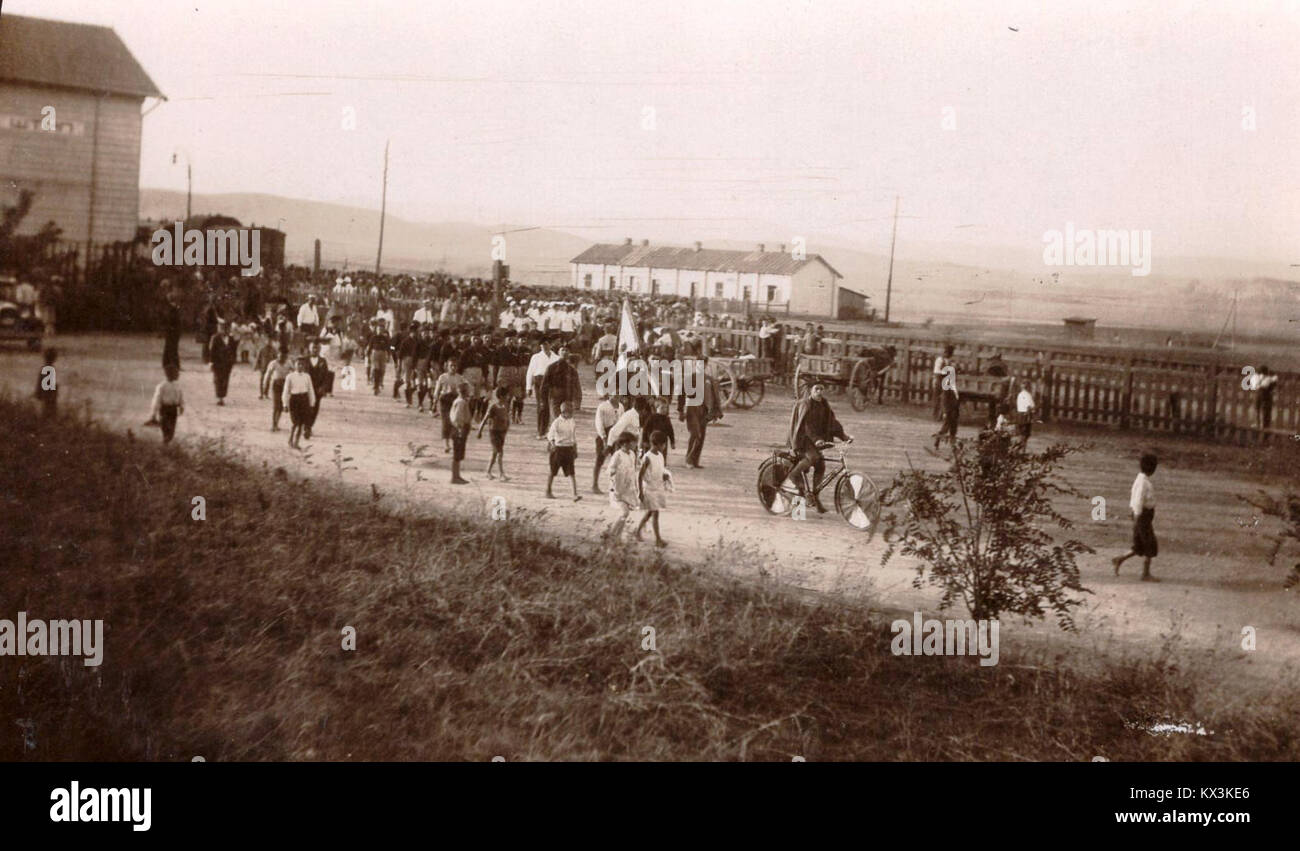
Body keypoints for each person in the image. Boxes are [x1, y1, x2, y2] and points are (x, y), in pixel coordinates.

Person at [781, 383, 851, 513]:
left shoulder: (824, 405)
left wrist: (844, 436)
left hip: (815, 441)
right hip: (802, 439)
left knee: (821, 466)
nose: (819, 392)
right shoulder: (805, 404)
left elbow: (832, 423)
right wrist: (816, 439)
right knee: (814, 457)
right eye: (816, 389)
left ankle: (816, 497)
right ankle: (793, 476)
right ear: (810, 391)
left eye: (821, 389)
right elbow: (805, 426)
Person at [1112, 453, 1160, 582]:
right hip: (1142, 516)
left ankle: (1120, 559)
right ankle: (1145, 574)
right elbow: (1138, 500)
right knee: (1149, 544)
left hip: (1142, 516)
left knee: (1140, 545)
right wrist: (1138, 516)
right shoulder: (1143, 482)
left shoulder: (1141, 480)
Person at [678, 360, 723, 468]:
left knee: (701, 436)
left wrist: (716, 412)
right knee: (695, 434)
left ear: (706, 366)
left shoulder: (709, 379)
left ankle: (695, 461)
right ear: (695, 365)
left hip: (705, 410)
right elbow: (681, 395)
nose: (700, 367)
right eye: (698, 364)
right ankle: (688, 460)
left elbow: (715, 396)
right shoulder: (690, 378)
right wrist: (680, 411)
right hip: (692, 408)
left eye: (703, 365)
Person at [635, 430, 672, 547]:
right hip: (650, 489)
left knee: (650, 513)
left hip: (658, 487)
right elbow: (640, 475)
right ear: (657, 444)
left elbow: (658, 470)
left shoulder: (660, 456)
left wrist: (664, 476)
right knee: (655, 513)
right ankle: (658, 539)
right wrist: (640, 492)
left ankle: (636, 531)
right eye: (664, 444)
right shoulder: (647, 457)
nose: (665, 447)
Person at [605, 431, 640, 538]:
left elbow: (633, 471)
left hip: (628, 489)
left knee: (626, 513)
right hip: (617, 488)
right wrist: (614, 477)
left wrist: (635, 486)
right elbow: (610, 470)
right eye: (634, 443)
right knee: (624, 512)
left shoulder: (633, 454)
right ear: (625, 443)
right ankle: (611, 534)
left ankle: (616, 535)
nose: (635, 445)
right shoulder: (617, 455)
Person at [545, 400, 581, 502]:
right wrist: (553, 445)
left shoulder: (572, 421)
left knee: (572, 472)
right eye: (569, 412)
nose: (571, 414)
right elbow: (550, 436)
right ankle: (548, 490)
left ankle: (575, 494)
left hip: (569, 449)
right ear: (563, 412)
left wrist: (575, 449)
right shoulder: (556, 422)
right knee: (553, 471)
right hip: (558, 449)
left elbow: (573, 436)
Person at [476, 386, 512, 481]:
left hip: (502, 432)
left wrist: (507, 428)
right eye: (506, 395)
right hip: (494, 432)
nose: (508, 397)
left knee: (495, 453)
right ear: (501, 396)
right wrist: (480, 431)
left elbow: (507, 418)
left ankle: (488, 472)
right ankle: (501, 474)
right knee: (500, 453)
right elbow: (485, 419)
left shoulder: (505, 406)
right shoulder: (493, 406)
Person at [527, 339, 559, 439]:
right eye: (542, 344)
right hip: (539, 382)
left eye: (546, 344)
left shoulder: (556, 358)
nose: (544, 346)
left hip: (552, 382)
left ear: (551, 344)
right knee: (542, 406)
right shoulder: (536, 357)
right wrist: (528, 387)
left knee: (553, 407)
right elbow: (530, 372)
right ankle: (541, 431)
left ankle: (553, 432)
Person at [283, 356, 316, 449]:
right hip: (294, 400)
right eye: (298, 364)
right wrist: (285, 404)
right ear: (294, 365)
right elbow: (286, 391)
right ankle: (290, 439)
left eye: (302, 364)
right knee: (294, 422)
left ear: (305, 366)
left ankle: (296, 442)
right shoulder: (290, 377)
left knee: (301, 423)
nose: (300, 366)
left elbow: (310, 390)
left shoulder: (307, 376)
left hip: (304, 400)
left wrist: (312, 403)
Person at [592, 392, 622, 494]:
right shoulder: (603, 407)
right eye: (615, 395)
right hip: (604, 434)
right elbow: (599, 423)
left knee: (616, 462)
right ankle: (594, 484)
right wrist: (604, 438)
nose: (617, 397)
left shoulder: (621, 406)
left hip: (616, 436)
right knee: (599, 460)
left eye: (619, 395)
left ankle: (614, 486)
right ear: (609, 395)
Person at [148, 363, 185, 443]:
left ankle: (167, 441)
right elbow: (157, 399)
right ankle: (165, 441)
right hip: (165, 409)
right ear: (170, 375)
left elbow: (180, 397)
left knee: (172, 428)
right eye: (176, 373)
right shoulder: (162, 386)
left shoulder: (177, 386)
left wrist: (181, 406)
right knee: (165, 428)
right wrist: (154, 413)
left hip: (173, 409)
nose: (178, 375)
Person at [305, 341, 332, 440]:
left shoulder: (323, 361)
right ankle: (306, 426)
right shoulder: (304, 360)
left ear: (320, 349)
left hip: (317, 389)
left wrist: (324, 388)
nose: (315, 350)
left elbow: (326, 376)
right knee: (305, 407)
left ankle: (309, 426)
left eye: (317, 348)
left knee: (315, 408)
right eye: (313, 348)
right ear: (309, 348)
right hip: (306, 388)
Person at [208, 320, 238, 406]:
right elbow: (212, 351)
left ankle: (222, 396)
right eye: (221, 328)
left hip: (227, 363)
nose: (224, 330)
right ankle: (219, 398)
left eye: (225, 328)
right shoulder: (215, 338)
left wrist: (233, 360)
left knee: (225, 380)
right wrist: (211, 362)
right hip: (217, 363)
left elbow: (233, 350)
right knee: (218, 380)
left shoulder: (231, 338)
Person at [262, 349, 292, 432]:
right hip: (276, 385)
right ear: (278, 355)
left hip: (285, 385)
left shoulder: (289, 363)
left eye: (284, 356)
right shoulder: (273, 363)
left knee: (281, 405)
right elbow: (267, 375)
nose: (282, 358)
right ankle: (273, 424)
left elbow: (294, 371)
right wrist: (265, 386)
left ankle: (277, 423)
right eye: (281, 355)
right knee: (276, 405)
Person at [449, 382, 472, 484]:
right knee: (457, 455)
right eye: (468, 390)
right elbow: (458, 417)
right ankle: (454, 477)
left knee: (458, 454)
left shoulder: (461, 401)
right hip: (459, 430)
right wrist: (460, 429)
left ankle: (457, 475)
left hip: (460, 429)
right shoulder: (461, 402)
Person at [640, 397, 676, 461]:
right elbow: (645, 430)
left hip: (663, 443)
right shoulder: (651, 418)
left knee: (662, 458)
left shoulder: (667, 419)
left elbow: (671, 431)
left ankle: (661, 468)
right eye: (662, 408)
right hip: (652, 442)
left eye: (666, 408)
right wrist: (644, 441)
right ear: (656, 408)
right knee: (650, 457)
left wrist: (672, 442)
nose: (665, 410)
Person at [161, 283, 182, 370]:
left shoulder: (172, 307)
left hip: (172, 330)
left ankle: (167, 363)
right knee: (172, 347)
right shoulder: (171, 308)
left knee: (170, 346)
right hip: (172, 330)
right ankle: (173, 364)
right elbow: (170, 319)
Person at [1252, 365, 1278, 431]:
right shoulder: (1268, 378)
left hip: (1257, 393)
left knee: (1256, 409)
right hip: (1264, 393)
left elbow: (1253, 385)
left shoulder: (1255, 377)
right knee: (1264, 410)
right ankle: (1263, 425)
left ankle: (1256, 424)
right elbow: (1274, 380)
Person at [34, 348, 57, 419]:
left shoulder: (45, 368)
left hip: (42, 398)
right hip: (46, 400)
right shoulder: (49, 369)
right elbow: (47, 388)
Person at [932, 345, 954, 420]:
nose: (948, 355)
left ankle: (941, 415)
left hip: (945, 380)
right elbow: (937, 371)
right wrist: (947, 371)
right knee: (937, 398)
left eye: (950, 354)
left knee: (945, 398)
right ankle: (935, 415)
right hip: (938, 379)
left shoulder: (949, 361)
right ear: (945, 352)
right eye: (947, 353)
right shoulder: (940, 360)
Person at [1015, 380, 1036, 448]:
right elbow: (1030, 406)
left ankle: (1020, 447)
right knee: (1026, 433)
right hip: (1026, 415)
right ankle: (1022, 447)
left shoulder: (1019, 394)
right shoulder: (1028, 395)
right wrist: (1032, 416)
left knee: (1021, 432)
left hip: (1019, 415)